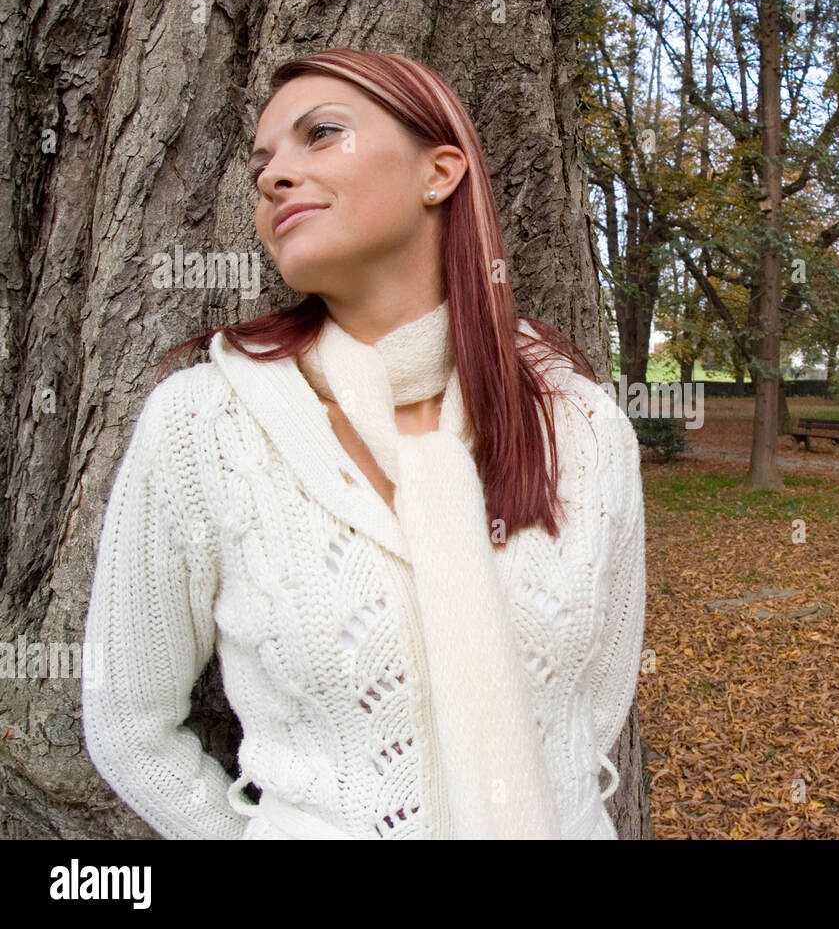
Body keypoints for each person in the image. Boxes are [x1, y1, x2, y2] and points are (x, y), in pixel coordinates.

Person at [81, 48, 646, 839]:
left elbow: (592, 713)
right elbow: (127, 723)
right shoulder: (204, 424)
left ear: (439, 172)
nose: (276, 175)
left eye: (321, 134)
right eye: (262, 165)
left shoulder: (582, 426)